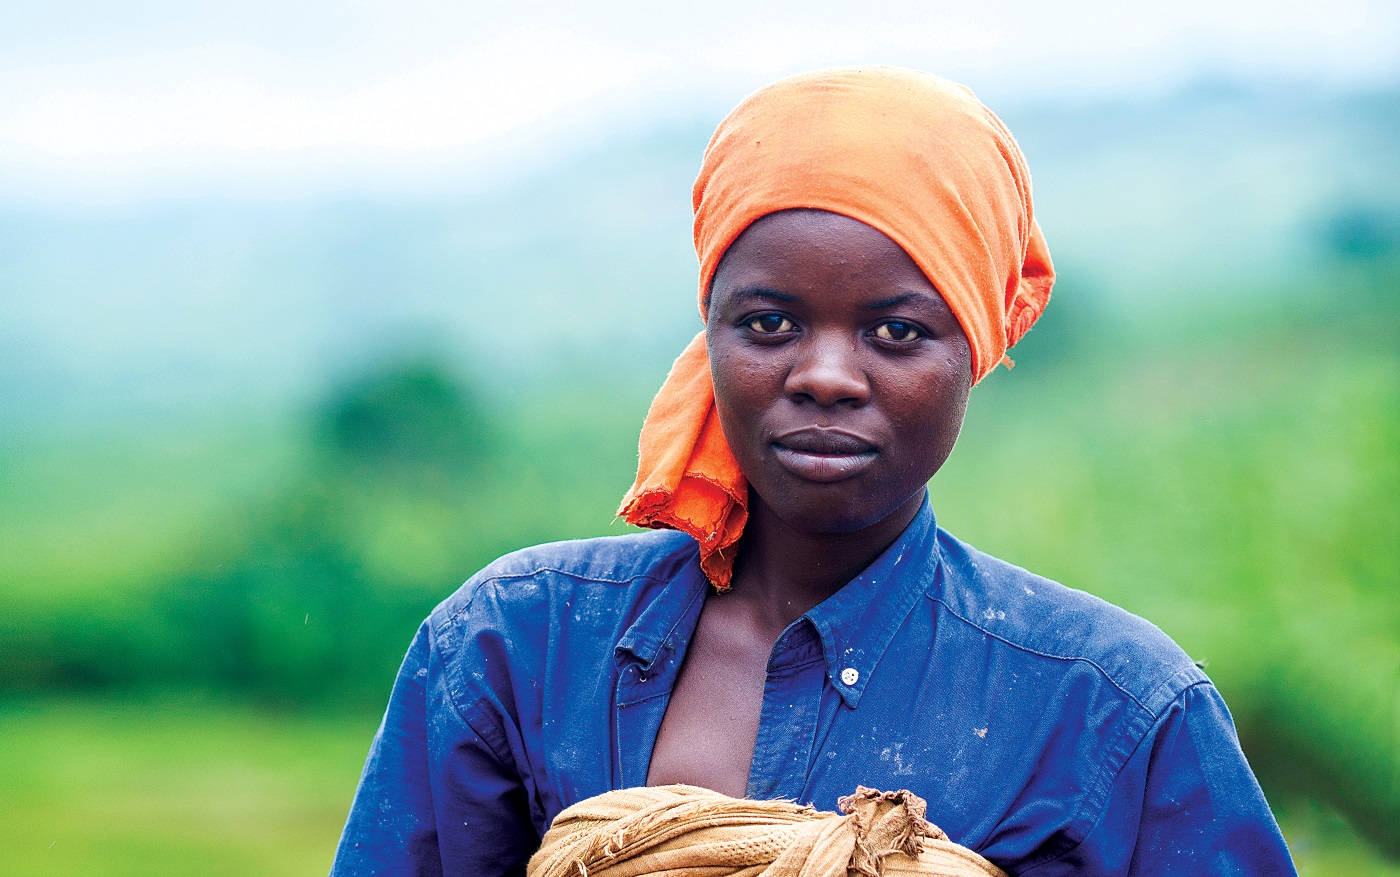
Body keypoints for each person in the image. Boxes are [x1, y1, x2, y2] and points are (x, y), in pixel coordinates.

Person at [330, 66, 1296, 876]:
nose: (826, 375)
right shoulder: (516, 643)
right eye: (769, 323)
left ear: (978, 350)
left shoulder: (1113, 711)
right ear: (709, 335)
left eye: (897, 330)